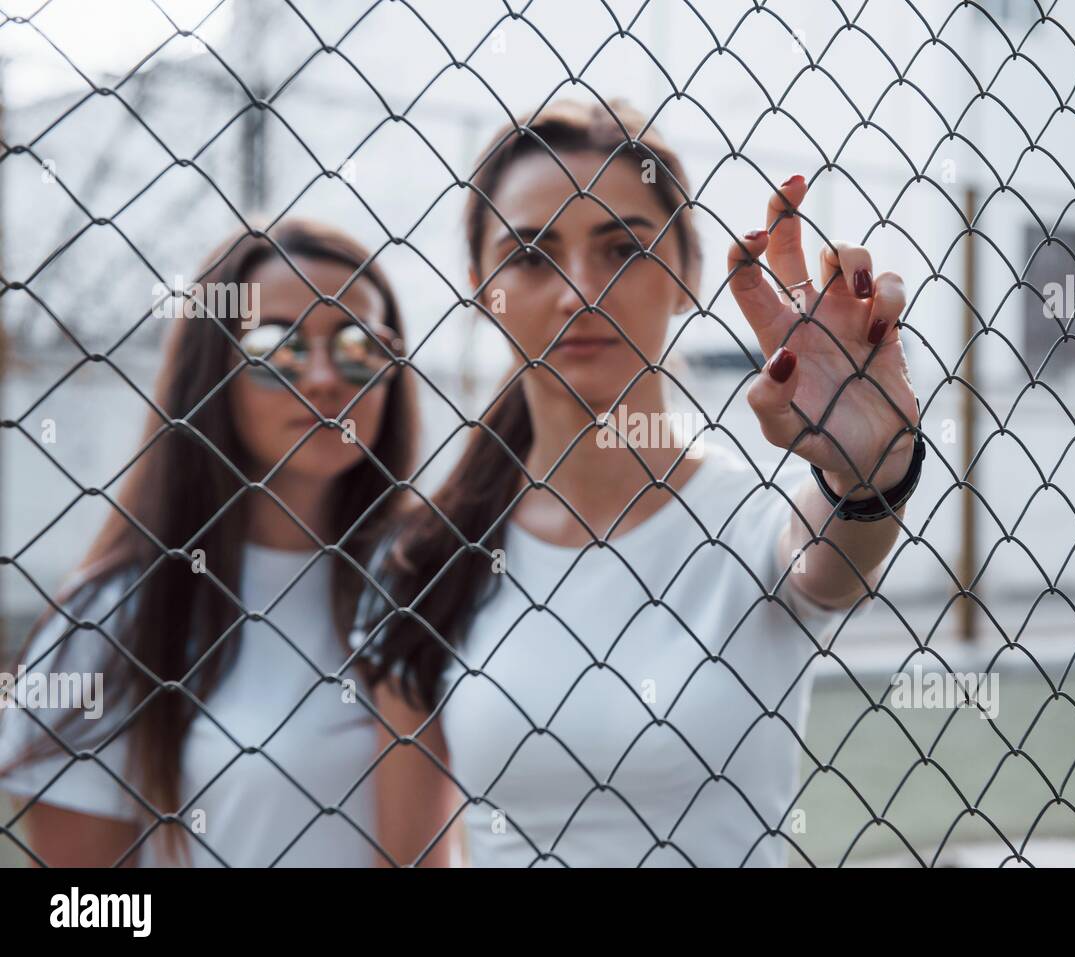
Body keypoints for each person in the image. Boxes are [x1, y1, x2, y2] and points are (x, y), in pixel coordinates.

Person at [353, 99, 923, 867]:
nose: (579, 290)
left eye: (622, 248)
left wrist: (870, 469)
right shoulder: (426, 558)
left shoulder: (751, 521)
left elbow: (830, 555)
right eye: (530, 254)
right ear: (477, 286)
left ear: (687, 274)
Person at [0, 219, 419, 866]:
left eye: (360, 347)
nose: (325, 378)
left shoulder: (425, 585)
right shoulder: (115, 615)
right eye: (276, 348)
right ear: (211, 373)